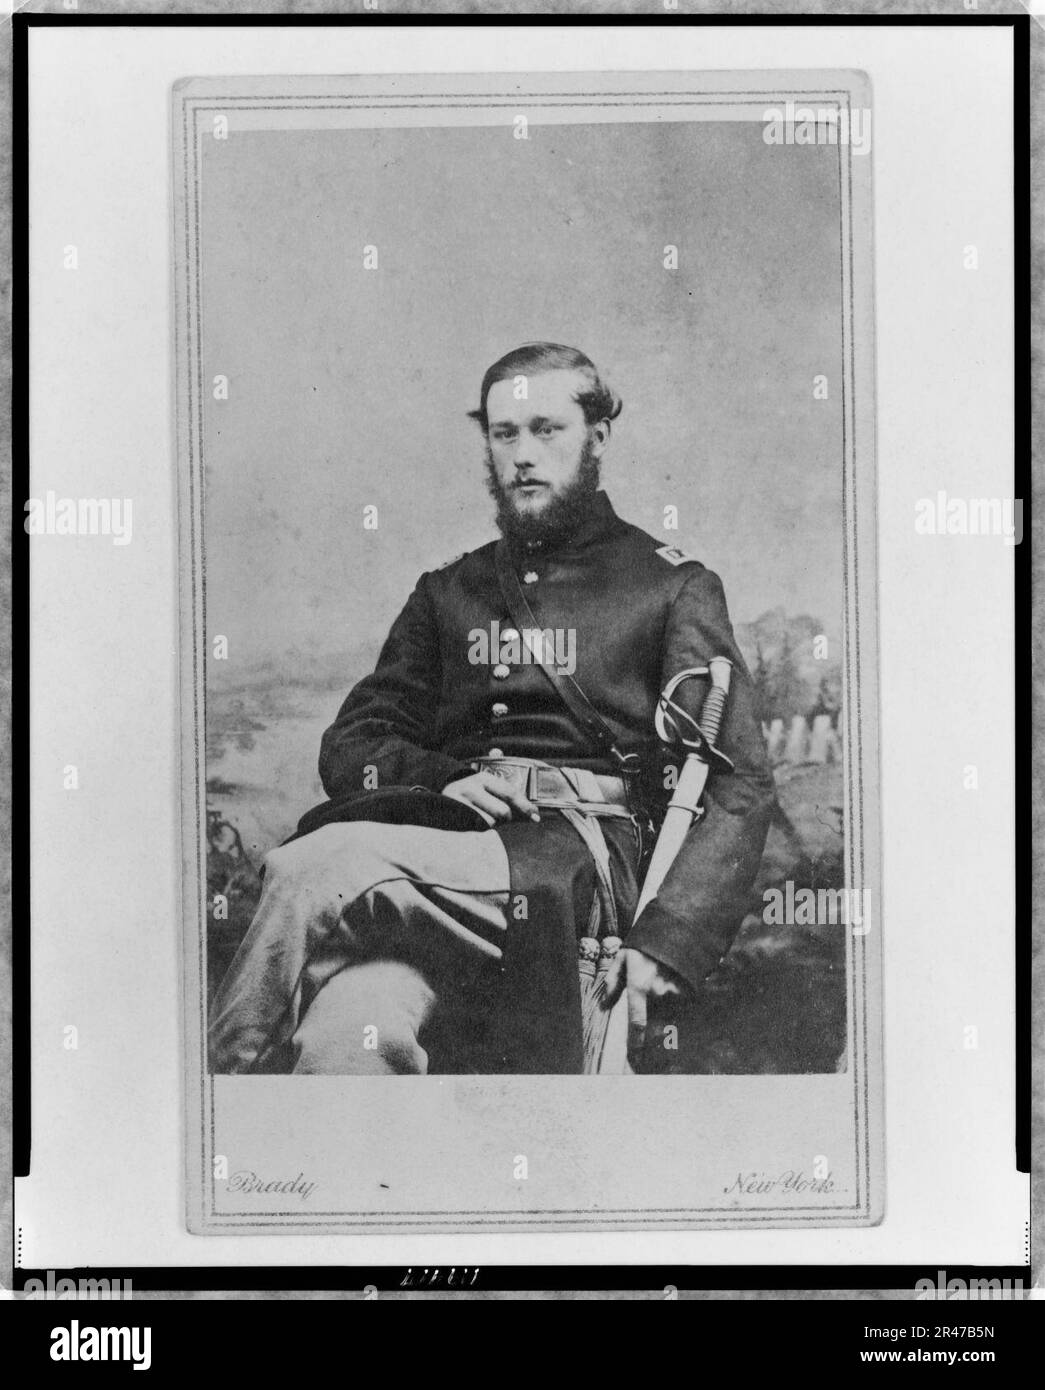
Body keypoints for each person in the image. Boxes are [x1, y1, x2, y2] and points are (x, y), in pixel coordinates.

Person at [209, 342, 775, 1076]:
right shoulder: (449, 590)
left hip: (571, 869)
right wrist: (440, 778)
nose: (523, 455)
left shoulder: (668, 587)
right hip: (438, 870)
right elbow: (354, 741)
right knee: (347, 1038)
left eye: (547, 430)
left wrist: (668, 940)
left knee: (314, 868)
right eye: (504, 434)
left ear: (596, 439)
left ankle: (217, 1104)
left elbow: (738, 782)